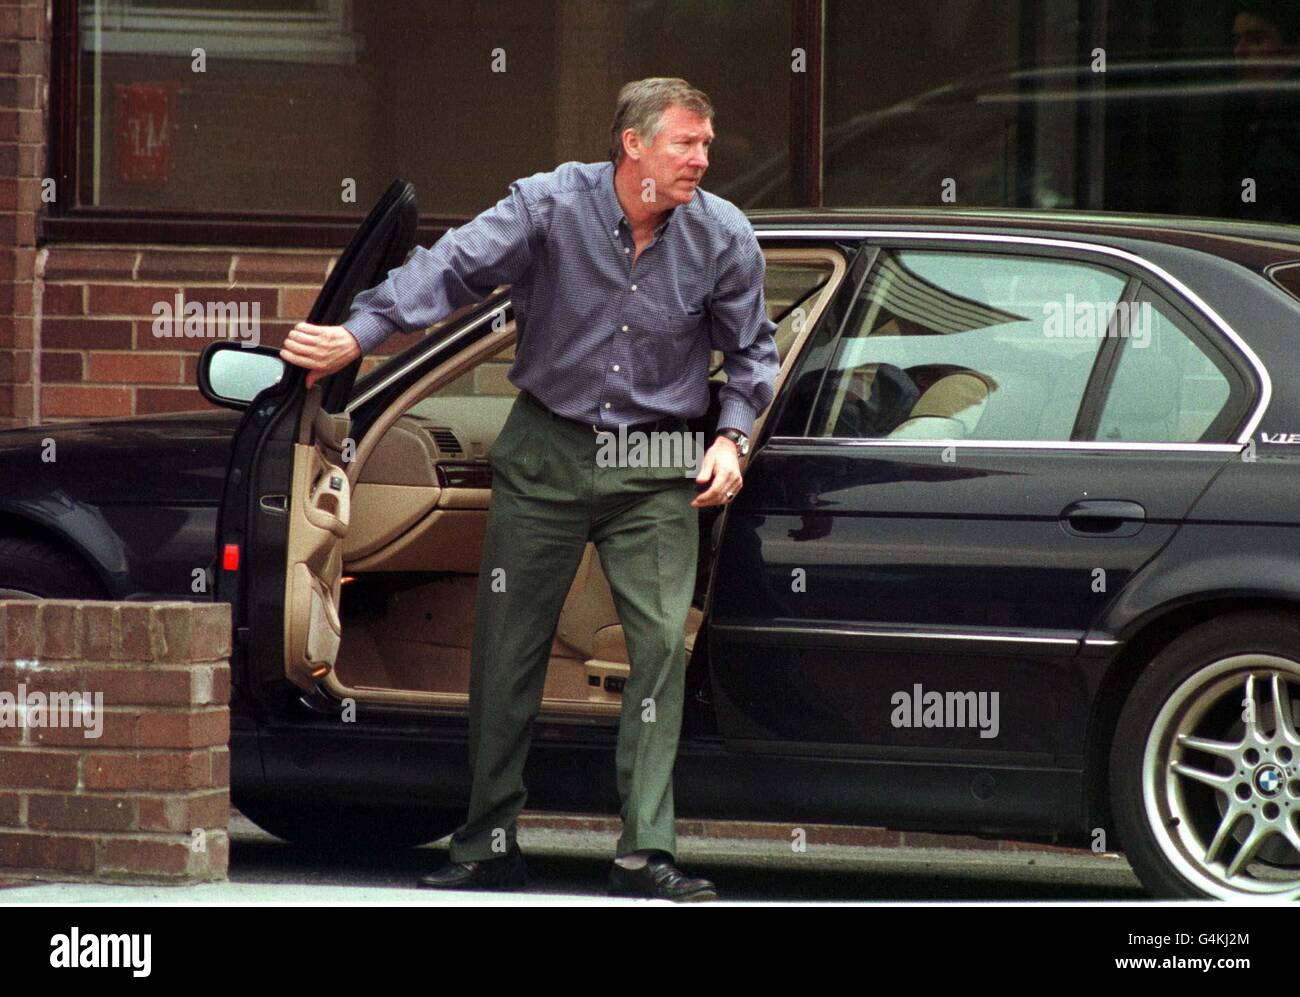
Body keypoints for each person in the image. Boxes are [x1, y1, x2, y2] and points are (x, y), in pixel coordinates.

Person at [279, 77, 779, 901]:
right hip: (547, 444)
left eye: (706, 145)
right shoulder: (550, 204)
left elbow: (752, 354)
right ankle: (487, 842)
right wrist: (359, 332)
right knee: (507, 651)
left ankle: (644, 852)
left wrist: (731, 439)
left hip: (657, 460)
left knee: (657, 650)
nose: (702, 159)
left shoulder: (723, 236)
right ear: (634, 146)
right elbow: (452, 270)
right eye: (686, 143)